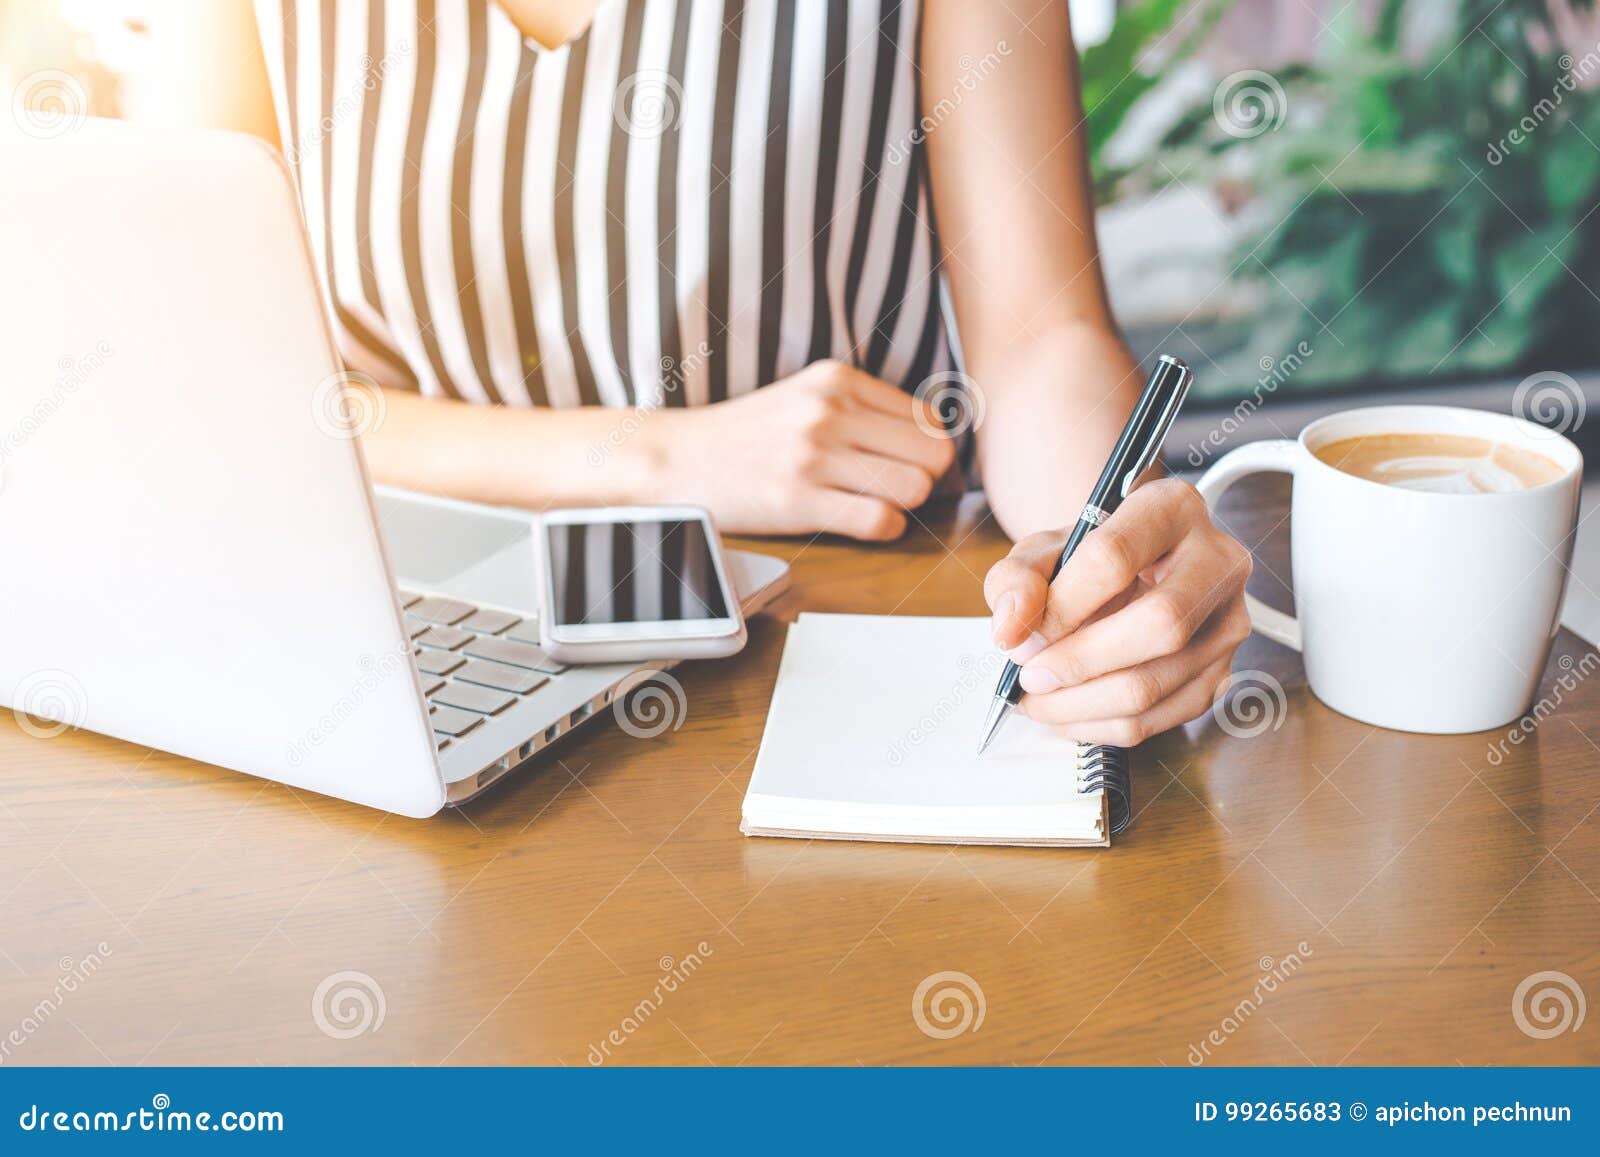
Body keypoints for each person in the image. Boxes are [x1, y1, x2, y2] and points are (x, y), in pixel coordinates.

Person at [160, 0, 1252, 745]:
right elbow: (210, 383)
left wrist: (1093, 562)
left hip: (817, 648)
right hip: (392, 629)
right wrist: (660, 457)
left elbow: (1035, 338)